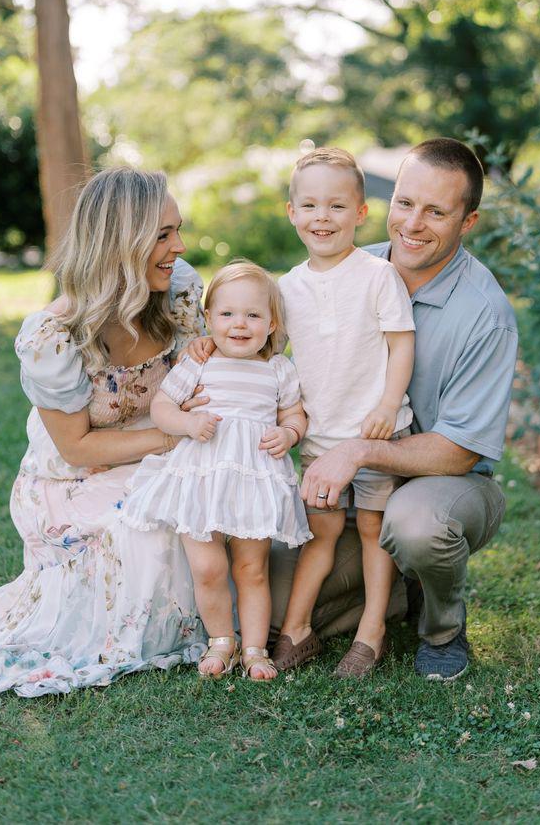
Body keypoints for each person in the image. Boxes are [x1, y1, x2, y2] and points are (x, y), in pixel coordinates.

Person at [0, 167, 210, 699]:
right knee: (158, 525)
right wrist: (174, 439)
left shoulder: (178, 291)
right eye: (163, 236)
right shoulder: (54, 336)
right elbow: (77, 447)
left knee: (214, 502)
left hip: (157, 452)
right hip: (72, 480)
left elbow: (205, 378)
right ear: (120, 243)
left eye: (178, 231)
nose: (180, 247)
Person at [270, 138, 518, 682]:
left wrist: (356, 450)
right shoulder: (352, 265)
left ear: (467, 221)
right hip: (350, 481)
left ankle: (441, 625)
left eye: (436, 211)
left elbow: (458, 451)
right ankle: (390, 595)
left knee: (417, 525)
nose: (413, 223)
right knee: (271, 596)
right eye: (405, 203)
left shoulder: (484, 315)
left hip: (444, 484)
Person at [123, 261, 310, 681]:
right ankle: (221, 640)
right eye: (226, 314)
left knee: (252, 568)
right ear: (209, 319)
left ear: (271, 322)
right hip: (201, 478)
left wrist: (290, 433)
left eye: (253, 315)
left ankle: (256, 648)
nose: (239, 325)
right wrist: (188, 424)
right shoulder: (199, 363)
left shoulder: (277, 368)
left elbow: (294, 414)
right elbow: (162, 406)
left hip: (252, 481)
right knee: (208, 568)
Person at [272, 147, 416, 678]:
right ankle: (297, 628)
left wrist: (384, 404)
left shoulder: (377, 276)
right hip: (318, 438)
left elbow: (401, 345)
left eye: (336, 206)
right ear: (292, 213)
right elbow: (271, 355)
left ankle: (371, 632)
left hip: (375, 431)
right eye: (309, 205)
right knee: (321, 531)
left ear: (360, 213)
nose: (321, 217)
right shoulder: (286, 288)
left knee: (374, 529)